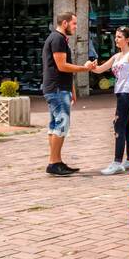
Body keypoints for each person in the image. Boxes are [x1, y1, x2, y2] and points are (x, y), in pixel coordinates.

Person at [41, 10, 96, 177]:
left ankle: (56, 161)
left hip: (58, 88)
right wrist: (85, 68)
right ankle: (53, 163)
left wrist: (72, 89)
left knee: (55, 125)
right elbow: (62, 66)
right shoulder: (57, 39)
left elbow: (63, 68)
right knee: (61, 124)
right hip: (57, 89)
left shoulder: (59, 39)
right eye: (73, 23)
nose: (75, 27)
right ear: (64, 23)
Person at [92, 27, 129, 175]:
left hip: (127, 93)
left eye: (120, 37)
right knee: (126, 127)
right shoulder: (116, 57)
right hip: (120, 93)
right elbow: (100, 69)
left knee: (119, 126)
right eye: (116, 37)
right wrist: (90, 66)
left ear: (127, 39)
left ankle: (117, 162)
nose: (116, 39)